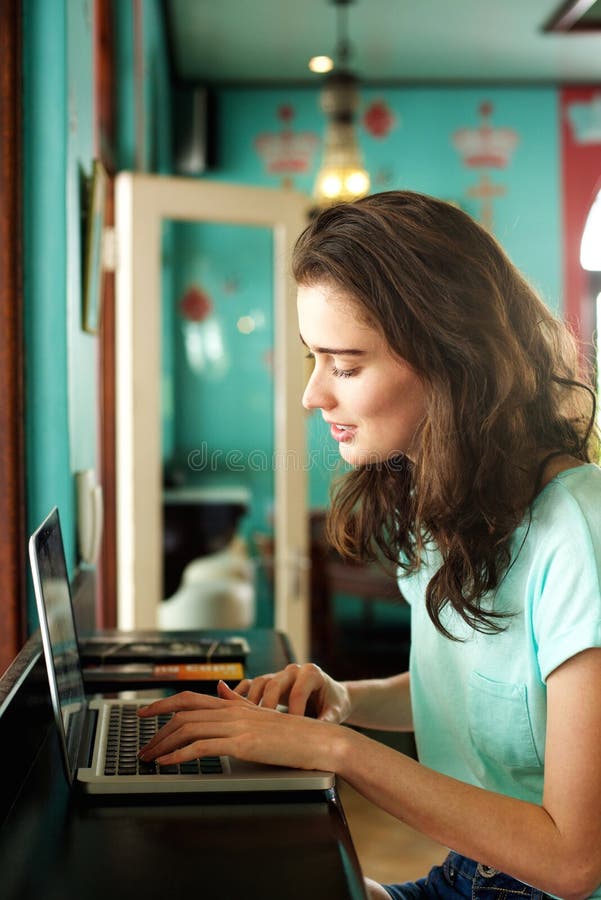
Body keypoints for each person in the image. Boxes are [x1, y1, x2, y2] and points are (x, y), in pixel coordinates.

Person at [138, 191, 601, 900]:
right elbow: (494, 703)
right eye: (311, 359)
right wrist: (344, 700)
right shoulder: (444, 506)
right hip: (470, 881)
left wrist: (333, 749)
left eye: (345, 365)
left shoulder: (579, 530)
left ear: (452, 361)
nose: (312, 395)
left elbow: (573, 863)